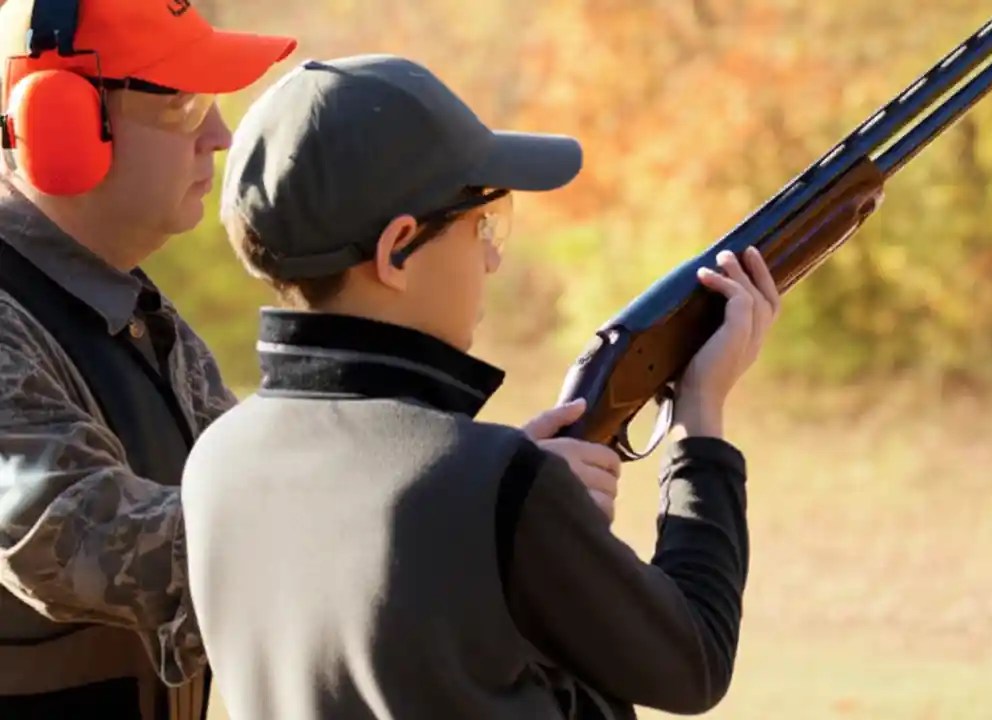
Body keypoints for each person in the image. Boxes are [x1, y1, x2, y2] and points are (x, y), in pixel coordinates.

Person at [182, 53, 789, 720]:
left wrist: (506, 488)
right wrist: (699, 419)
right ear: (398, 250)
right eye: (482, 223)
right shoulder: (489, 484)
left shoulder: (218, 457)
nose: (493, 257)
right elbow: (692, 665)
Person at [0, 0, 297, 718]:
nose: (221, 136)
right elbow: (99, 546)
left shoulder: (127, 310)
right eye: (188, 105)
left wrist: (478, 476)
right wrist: (427, 518)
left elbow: (265, 479)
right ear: (62, 121)